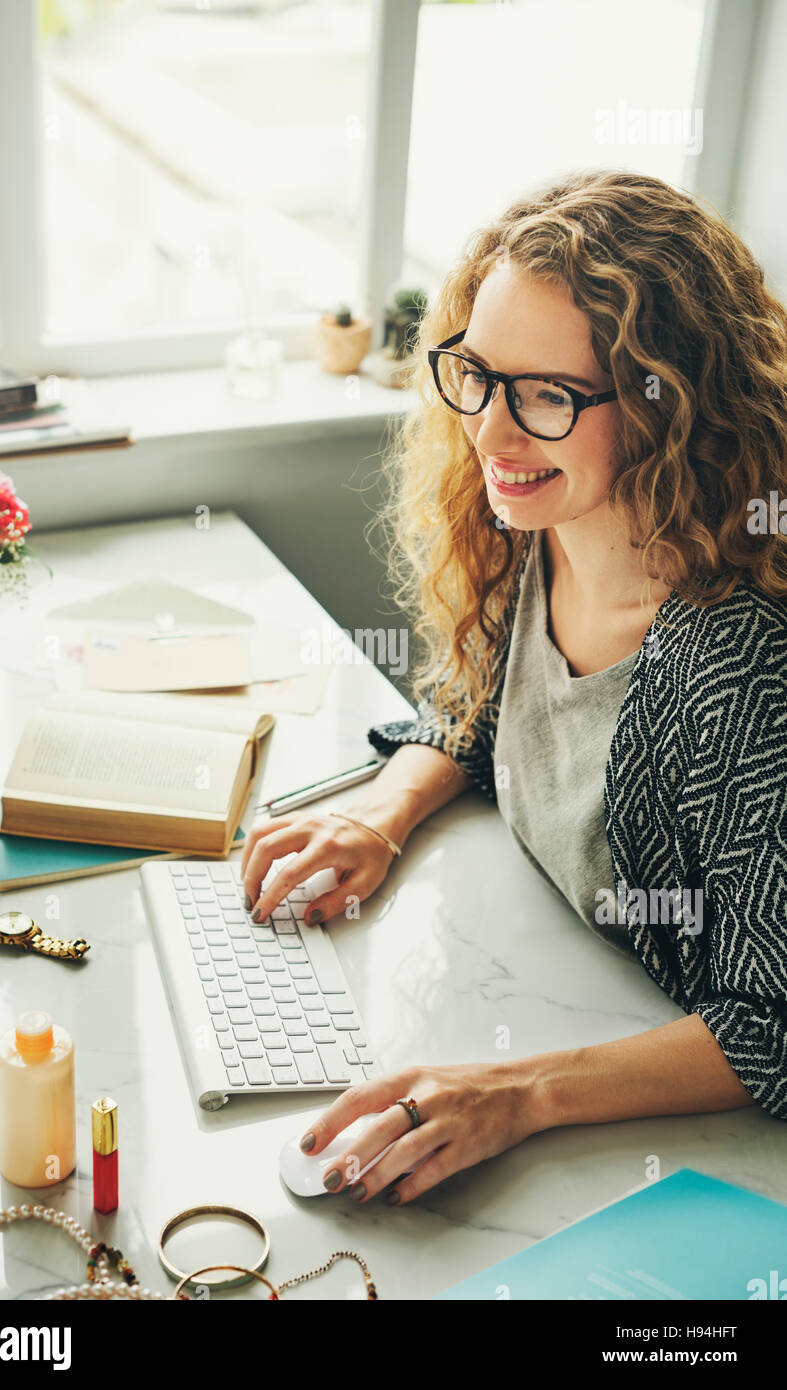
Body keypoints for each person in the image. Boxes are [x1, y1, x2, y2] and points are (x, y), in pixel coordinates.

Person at [241, 170, 787, 1206]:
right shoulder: (538, 526)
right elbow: (481, 703)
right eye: (478, 375)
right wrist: (385, 810)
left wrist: (519, 1089)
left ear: (670, 405)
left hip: (696, 1157)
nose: (490, 435)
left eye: (546, 393)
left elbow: (774, 1023)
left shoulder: (733, 663)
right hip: (550, 987)